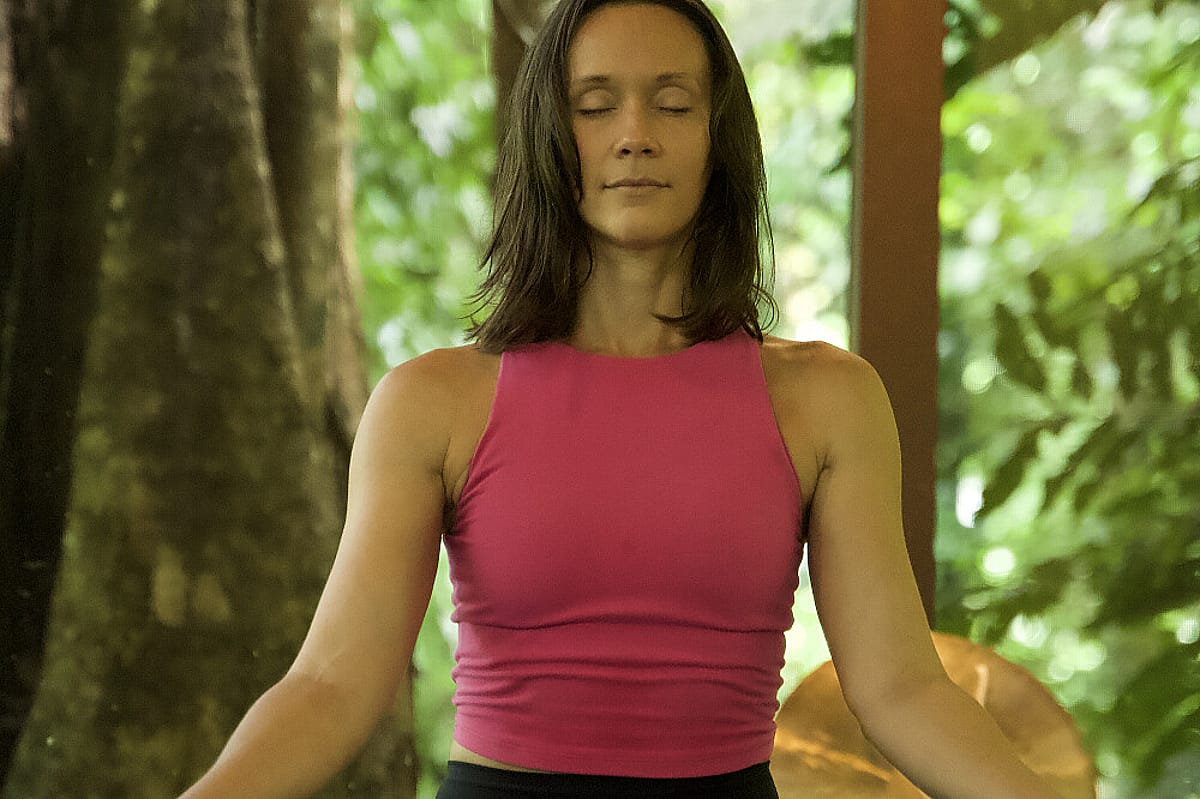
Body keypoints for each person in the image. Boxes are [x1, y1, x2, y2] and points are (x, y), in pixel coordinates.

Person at [182, 1, 1066, 797]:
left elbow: (900, 687)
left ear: (719, 138)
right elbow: (333, 685)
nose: (634, 134)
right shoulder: (432, 402)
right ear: (546, 137)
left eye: (673, 103)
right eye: (594, 104)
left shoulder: (829, 398)